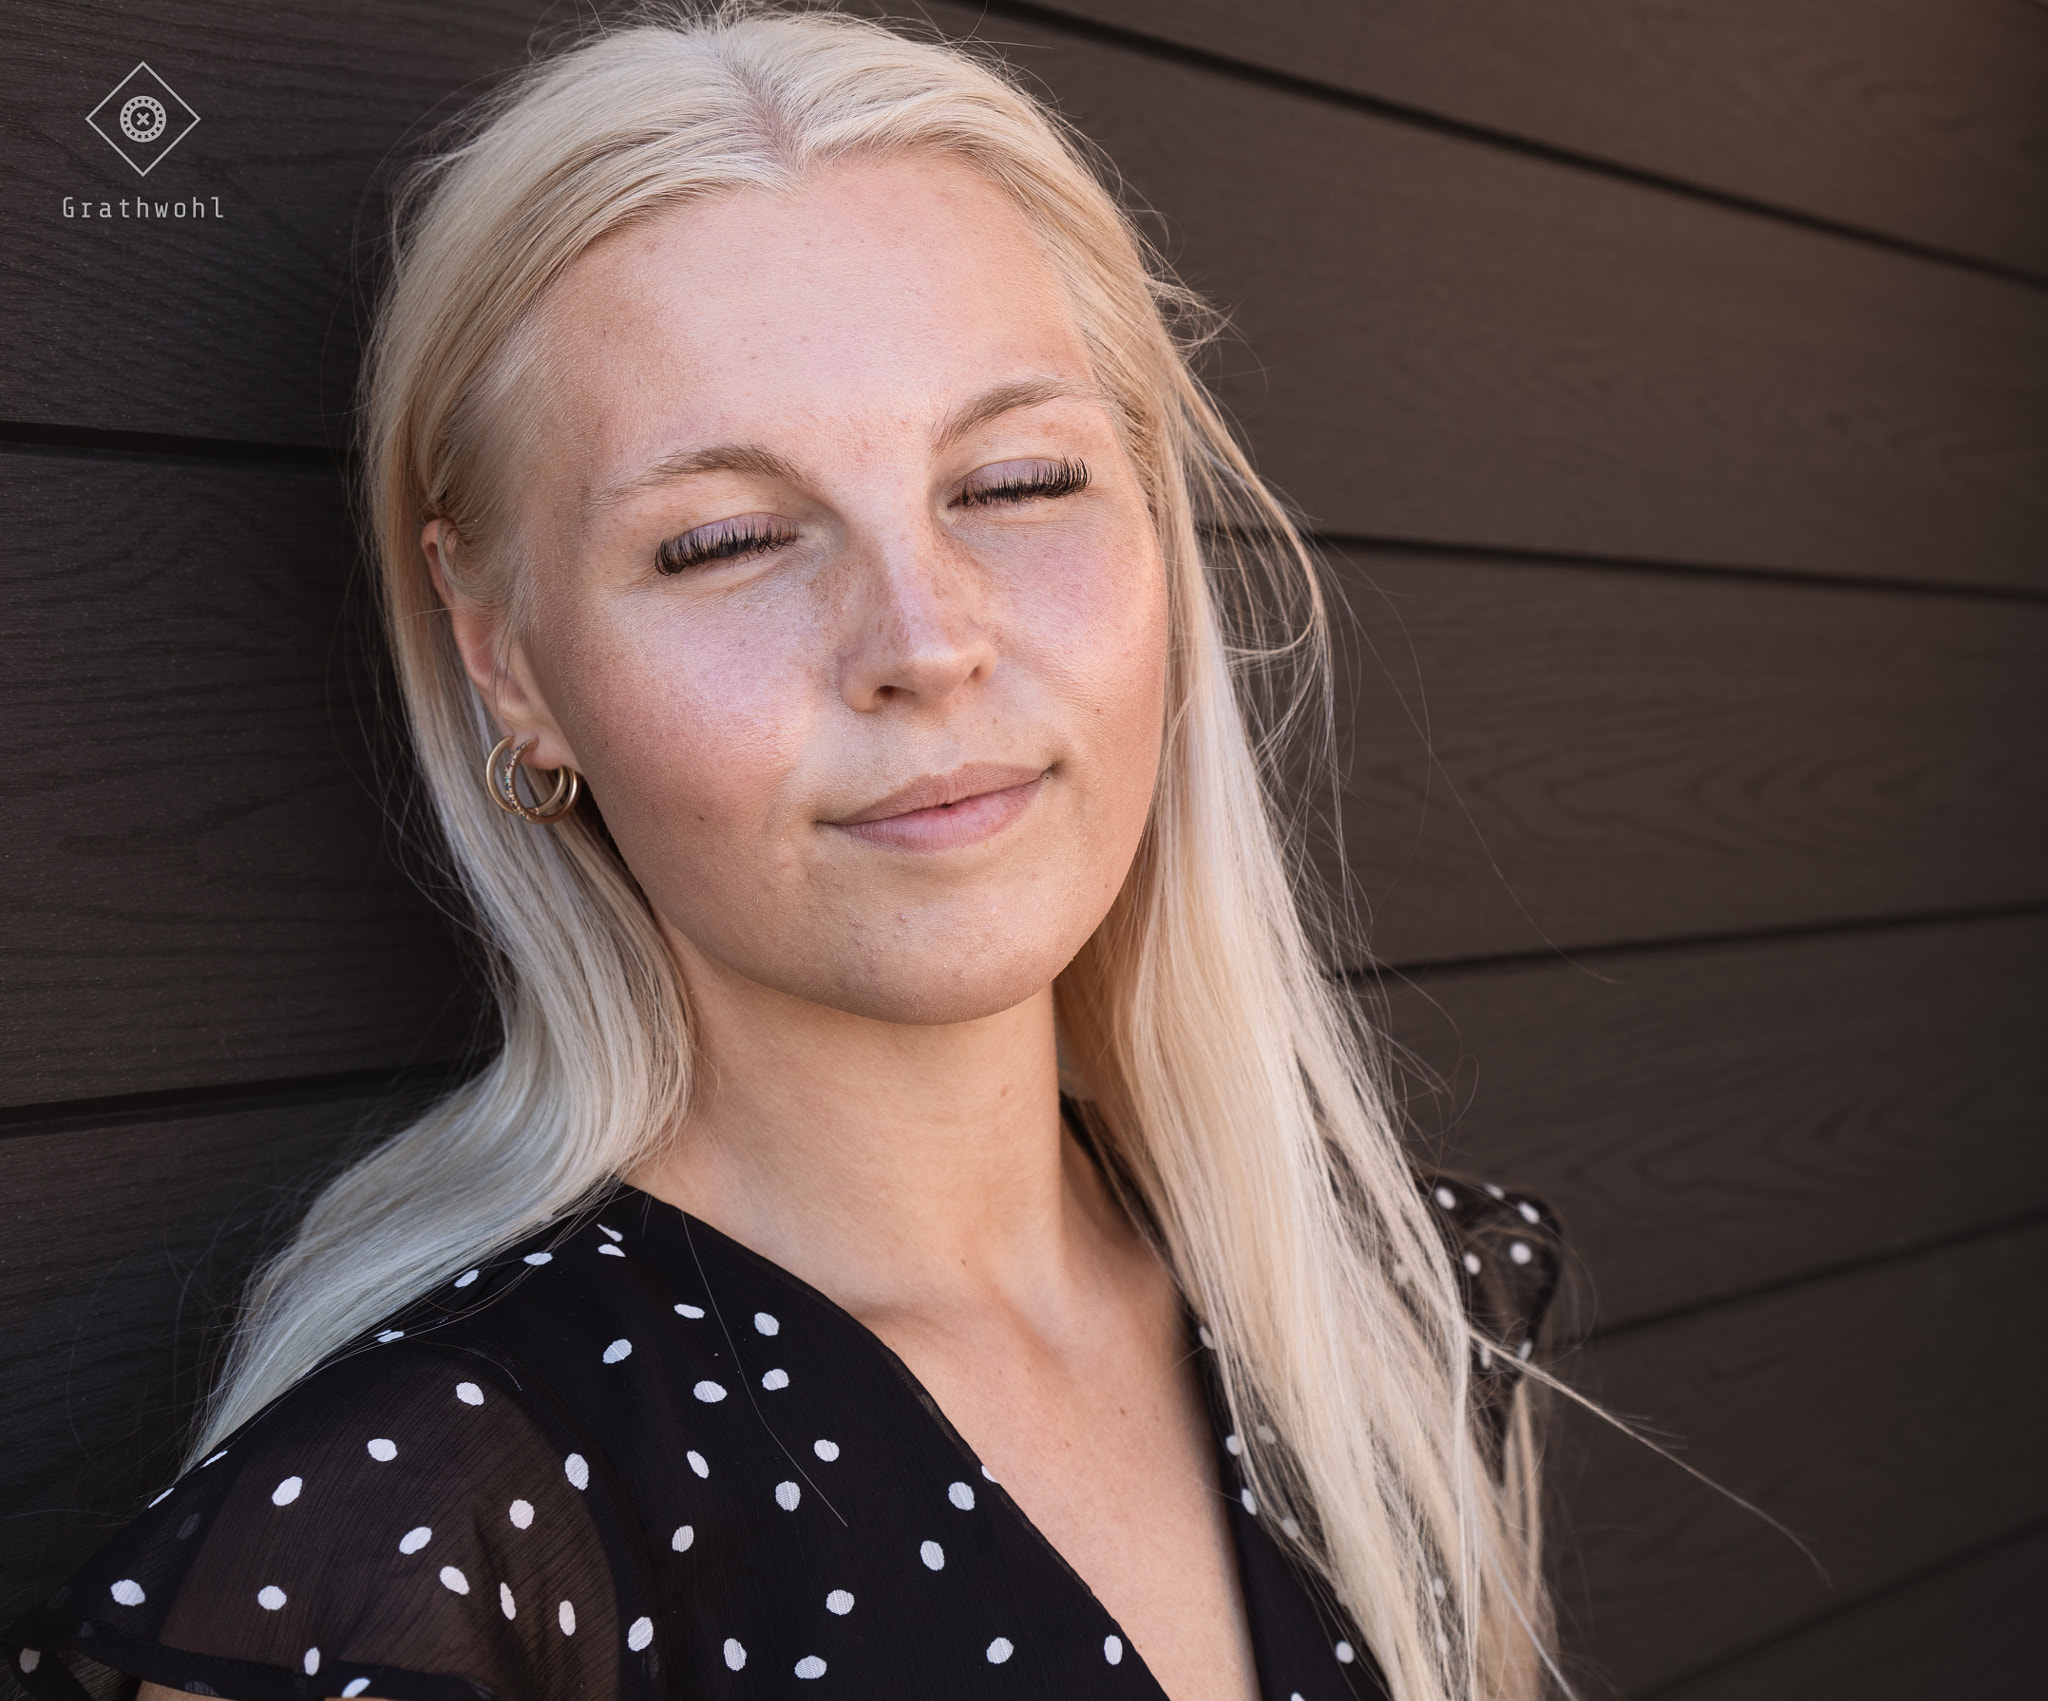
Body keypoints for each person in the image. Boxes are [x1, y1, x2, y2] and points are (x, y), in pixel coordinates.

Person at [3, 9, 1562, 1701]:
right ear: (506, 660)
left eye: (1019, 480)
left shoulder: (1394, 1316)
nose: (926, 637)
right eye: (728, 539)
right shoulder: (423, 1543)